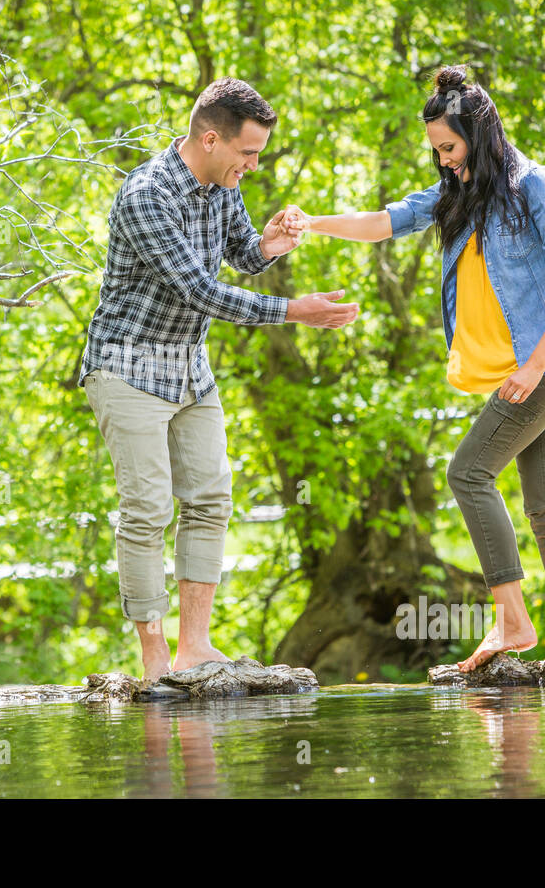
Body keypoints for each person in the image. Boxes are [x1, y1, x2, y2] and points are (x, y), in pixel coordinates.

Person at [285, 65, 545, 678]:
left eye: (450, 147)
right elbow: (385, 220)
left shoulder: (534, 187)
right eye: (435, 150)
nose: (443, 160)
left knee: (468, 471)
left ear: (478, 136)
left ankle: (512, 618)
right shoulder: (457, 195)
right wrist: (313, 224)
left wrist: (535, 366)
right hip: (537, 369)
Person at [79, 77, 359, 682]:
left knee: (209, 499)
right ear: (211, 138)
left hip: (188, 366)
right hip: (127, 364)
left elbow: (239, 253)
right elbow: (201, 291)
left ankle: (194, 648)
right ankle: (154, 662)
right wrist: (295, 312)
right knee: (147, 509)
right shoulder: (148, 195)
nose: (253, 167)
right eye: (248, 153)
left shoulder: (220, 183)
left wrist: (272, 245)